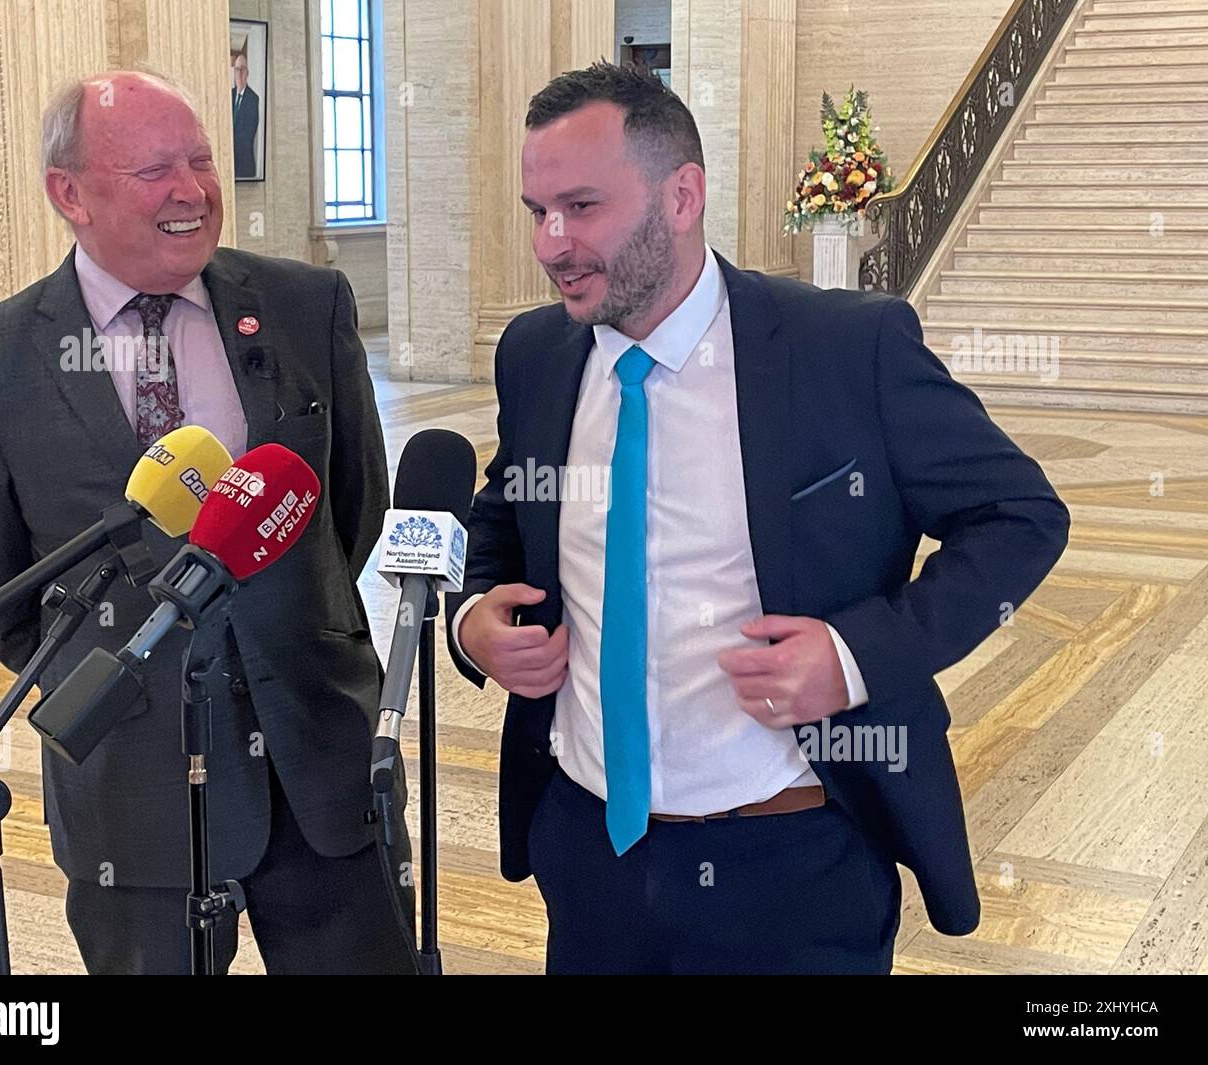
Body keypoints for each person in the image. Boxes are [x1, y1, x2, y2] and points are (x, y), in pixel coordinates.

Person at [447, 62, 1071, 974]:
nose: (552, 243)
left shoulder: (845, 348)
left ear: (683, 196)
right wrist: (476, 623)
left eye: (582, 207)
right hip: (589, 853)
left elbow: (1019, 514)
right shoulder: (538, 353)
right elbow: (505, 509)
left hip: (793, 860)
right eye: (537, 210)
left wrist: (854, 657)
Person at [0, 71, 414, 974]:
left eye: (200, 161)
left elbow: (350, 504)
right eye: (156, 169)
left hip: (318, 758)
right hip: (133, 795)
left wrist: (283, 625)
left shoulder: (308, 307)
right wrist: (117, 671)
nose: (191, 191)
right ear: (68, 193)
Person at [231, 54, 260, 180]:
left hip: (244, 163)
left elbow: (249, 134)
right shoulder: (229, 95)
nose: (239, 73)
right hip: (230, 162)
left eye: (242, 69)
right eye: (237, 69)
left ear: (247, 73)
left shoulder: (253, 99)